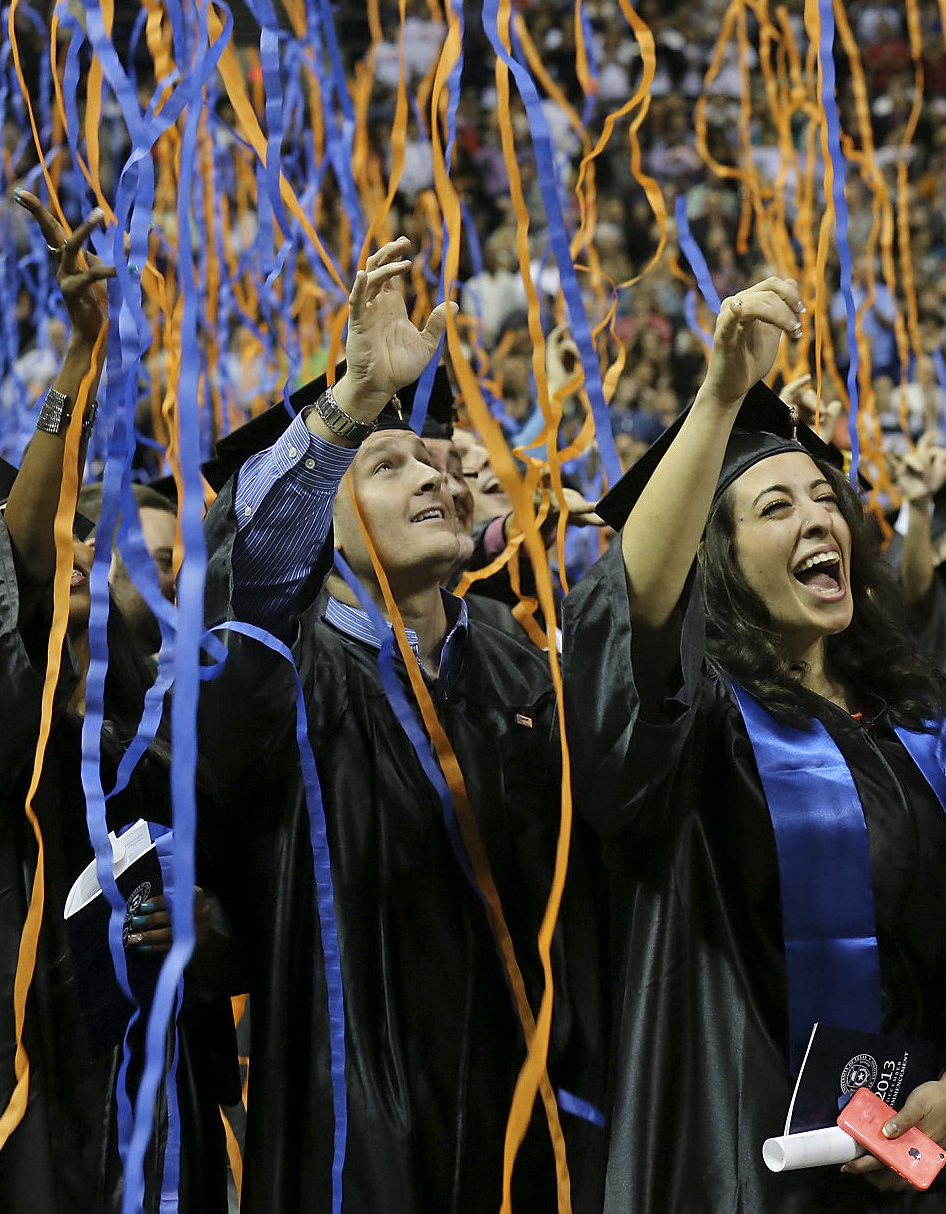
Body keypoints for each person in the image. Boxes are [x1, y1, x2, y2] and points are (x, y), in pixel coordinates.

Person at [563, 276, 946, 1211]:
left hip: (913, 1166)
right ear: (716, 562)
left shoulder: (917, 728)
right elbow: (637, 614)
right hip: (739, 1160)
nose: (816, 518)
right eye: (773, 508)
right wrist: (721, 399)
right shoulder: (699, 734)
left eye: (823, 497)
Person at [197, 236, 602, 1214]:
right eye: (388, 467)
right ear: (328, 526)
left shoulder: (513, 654)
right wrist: (353, 399)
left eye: (437, 464)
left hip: (525, 1096)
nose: (437, 480)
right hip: (356, 1113)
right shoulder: (283, 664)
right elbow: (249, 564)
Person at [0, 192, 239, 1213]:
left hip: (153, 1093)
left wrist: (205, 924)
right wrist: (79, 364)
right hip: (11, 1068)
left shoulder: (142, 731)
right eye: (25, 538)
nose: (65, 543)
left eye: (81, 527)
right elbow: (15, 574)